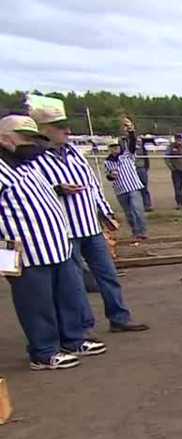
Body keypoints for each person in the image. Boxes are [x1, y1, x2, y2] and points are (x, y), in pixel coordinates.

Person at [29, 107, 150, 334]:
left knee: (108, 275)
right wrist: (57, 189)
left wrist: (105, 213)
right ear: (44, 130)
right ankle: (83, 327)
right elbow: (30, 191)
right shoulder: (34, 159)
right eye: (61, 127)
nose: (67, 130)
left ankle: (119, 318)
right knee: (75, 282)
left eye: (67, 126)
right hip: (64, 230)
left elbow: (92, 185)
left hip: (90, 226)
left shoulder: (74, 153)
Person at [1, 115, 106, 370]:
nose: (32, 144)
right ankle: (43, 352)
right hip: (26, 251)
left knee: (69, 295)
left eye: (34, 138)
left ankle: (73, 339)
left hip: (57, 245)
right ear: (4, 139)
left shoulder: (27, 165)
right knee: (36, 303)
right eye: (25, 138)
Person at [103, 141, 149, 241]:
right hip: (120, 190)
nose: (115, 149)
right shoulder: (107, 162)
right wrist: (111, 176)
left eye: (116, 147)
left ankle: (142, 231)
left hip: (133, 187)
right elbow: (108, 176)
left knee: (137, 210)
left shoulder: (127, 155)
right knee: (129, 213)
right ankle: (135, 232)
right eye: (112, 147)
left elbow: (132, 145)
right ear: (109, 149)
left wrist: (130, 133)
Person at [120, 117, 153, 212]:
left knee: (143, 187)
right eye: (125, 125)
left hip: (140, 166)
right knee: (131, 188)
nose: (126, 128)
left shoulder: (139, 139)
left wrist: (146, 165)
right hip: (128, 168)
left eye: (128, 125)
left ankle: (147, 205)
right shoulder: (121, 141)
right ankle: (134, 206)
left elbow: (144, 153)